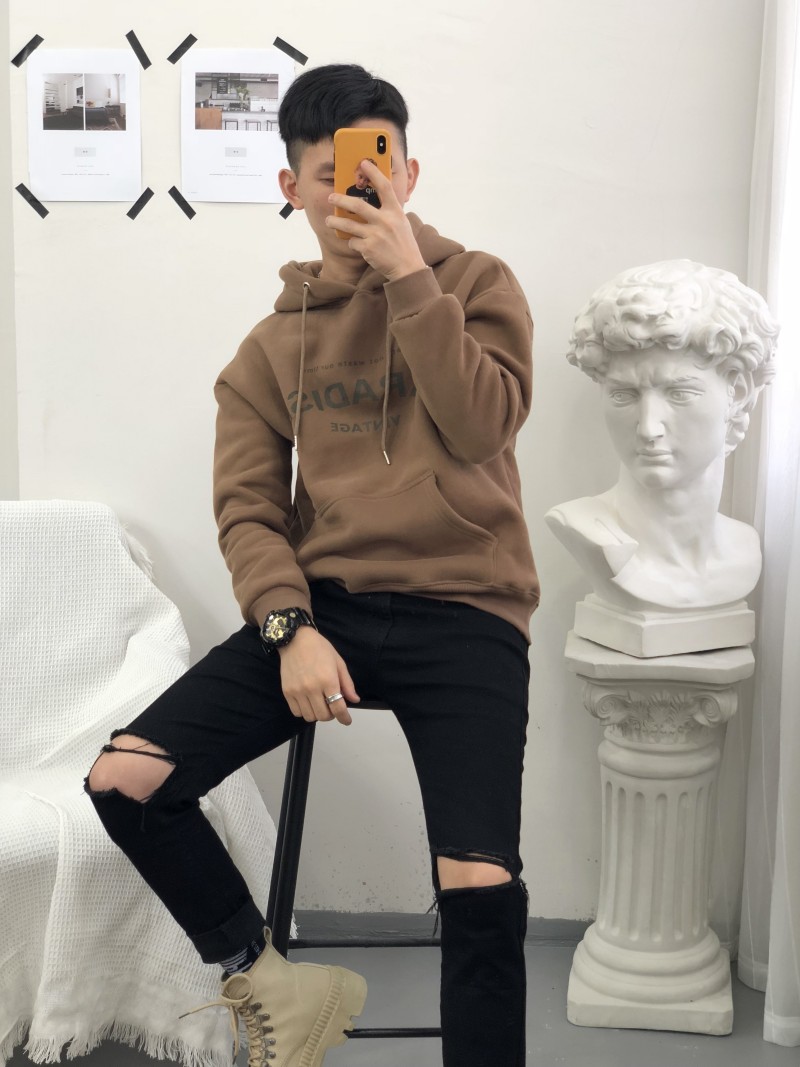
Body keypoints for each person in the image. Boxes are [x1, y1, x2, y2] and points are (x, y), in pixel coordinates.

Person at [85, 62, 539, 1067]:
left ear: (409, 175)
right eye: (332, 176)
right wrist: (288, 629)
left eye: (376, 169)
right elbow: (248, 513)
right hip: (322, 611)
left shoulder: (475, 285)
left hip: (467, 609)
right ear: (291, 188)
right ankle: (271, 978)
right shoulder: (269, 347)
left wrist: (409, 277)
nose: (358, 191)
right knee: (125, 779)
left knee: (478, 881)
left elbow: (481, 425)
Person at [546, 260, 778, 616]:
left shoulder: (746, 546)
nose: (648, 428)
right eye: (623, 395)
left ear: (739, 392)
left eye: (679, 394)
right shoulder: (579, 526)